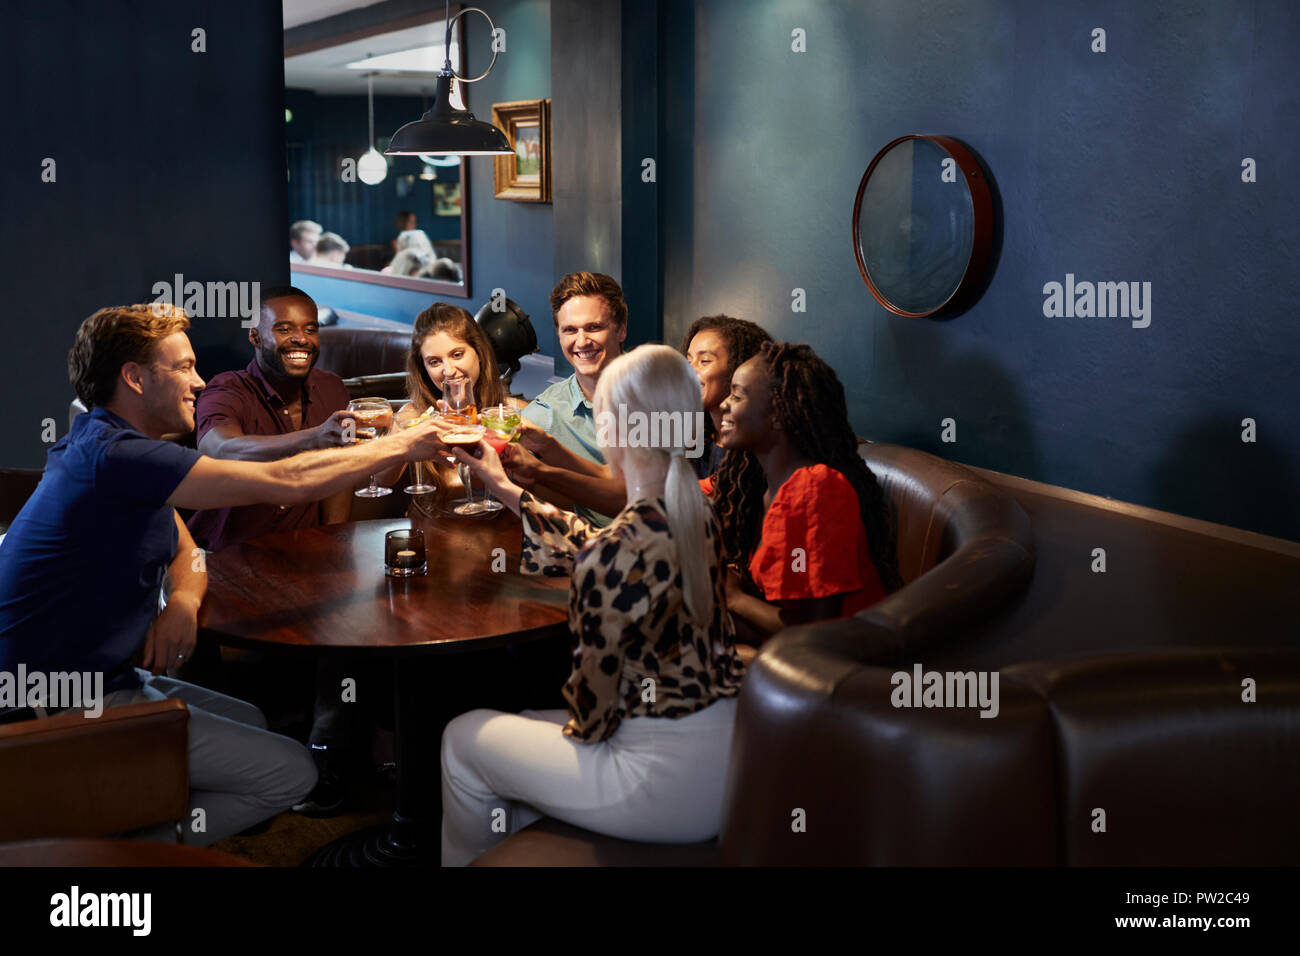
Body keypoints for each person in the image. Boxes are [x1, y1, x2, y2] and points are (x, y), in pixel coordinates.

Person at [0, 302, 447, 844]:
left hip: (101, 677)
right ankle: (128, 854)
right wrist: (405, 442)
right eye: (183, 367)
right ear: (135, 378)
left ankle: (137, 813)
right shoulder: (118, 457)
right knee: (293, 772)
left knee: (256, 725)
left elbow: (185, 548)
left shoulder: (105, 442)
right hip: (56, 701)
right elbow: (287, 483)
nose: (199, 380)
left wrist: (183, 603)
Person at [440, 345, 746, 866]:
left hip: (657, 785)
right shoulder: (699, 512)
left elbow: (592, 713)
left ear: (610, 429)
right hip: (727, 760)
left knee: (462, 737)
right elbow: (603, 546)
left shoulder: (616, 549)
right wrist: (503, 485)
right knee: (524, 720)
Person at [711, 341, 903, 649]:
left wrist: (733, 598)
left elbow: (814, 631)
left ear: (777, 414)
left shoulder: (817, 488)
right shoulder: (766, 485)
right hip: (792, 650)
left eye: (737, 395)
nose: (724, 404)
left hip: (844, 662)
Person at [187, 287, 354, 553]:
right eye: (284, 330)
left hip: (303, 555)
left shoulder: (331, 386)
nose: (301, 339)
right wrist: (314, 438)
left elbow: (339, 474)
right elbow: (219, 449)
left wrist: (333, 543)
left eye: (310, 330)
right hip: (223, 556)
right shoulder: (226, 389)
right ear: (255, 336)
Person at [502, 272, 632, 526]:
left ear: (621, 329)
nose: (582, 341)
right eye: (570, 330)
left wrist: (545, 465)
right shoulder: (545, 412)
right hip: (586, 553)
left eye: (594, 327)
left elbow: (635, 498)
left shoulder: (658, 393)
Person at [375, 301, 525, 518]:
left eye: (457, 355)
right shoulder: (413, 415)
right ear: (423, 368)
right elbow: (382, 480)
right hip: (434, 536)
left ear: (479, 353)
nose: (449, 371)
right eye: (434, 362)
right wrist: (408, 439)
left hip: (504, 536)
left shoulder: (512, 413)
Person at [681, 315, 772, 483]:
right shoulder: (691, 439)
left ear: (739, 368)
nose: (689, 371)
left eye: (704, 361)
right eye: (688, 361)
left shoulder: (757, 451)